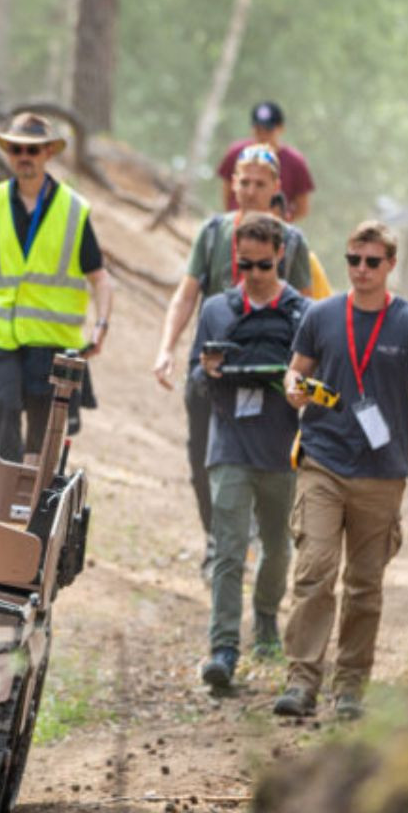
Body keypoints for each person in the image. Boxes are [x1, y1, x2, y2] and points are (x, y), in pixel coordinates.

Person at [276, 221, 408, 722]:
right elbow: (296, 369)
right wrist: (293, 387)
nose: (360, 270)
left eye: (372, 261)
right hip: (322, 460)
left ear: (391, 264)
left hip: (381, 470)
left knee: (363, 584)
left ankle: (350, 686)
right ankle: (301, 680)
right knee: (314, 571)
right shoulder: (321, 314)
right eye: (353, 260)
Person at [154, 147, 315, 568]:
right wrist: (167, 348)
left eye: (260, 183)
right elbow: (187, 294)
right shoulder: (212, 233)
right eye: (243, 182)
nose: (250, 191)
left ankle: (256, 539)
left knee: (267, 460)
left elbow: (309, 311)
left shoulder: (292, 242)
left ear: (276, 186)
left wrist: (308, 369)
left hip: (269, 373)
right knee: (202, 456)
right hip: (214, 367)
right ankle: (217, 539)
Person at [192, 213, 309, 691]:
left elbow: (319, 382)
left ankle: (265, 617)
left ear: (280, 255)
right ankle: (222, 648)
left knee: (278, 547)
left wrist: (297, 387)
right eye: (245, 265)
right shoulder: (216, 310)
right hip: (229, 445)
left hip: (282, 448)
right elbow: (194, 377)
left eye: (264, 265)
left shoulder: (304, 314)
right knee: (228, 548)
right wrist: (208, 370)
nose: (255, 274)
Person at [0, 113, 115, 462]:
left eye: (32, 150)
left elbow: (100, 278)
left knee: (41, 441)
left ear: (48, 152)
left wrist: (101, 326)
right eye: (16, 149)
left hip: (52, 343)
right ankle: (2, 487)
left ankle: (31, 491)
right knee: (0, 415)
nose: (24, 156)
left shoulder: (73, 210)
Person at [216, 101, 315, 223]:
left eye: (268, 131)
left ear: (280, 129)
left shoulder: (295, 162)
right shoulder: (237, 153)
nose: (262, 135)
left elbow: (302, 207)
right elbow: (226, 193)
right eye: (258, 130)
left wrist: (279, 223)